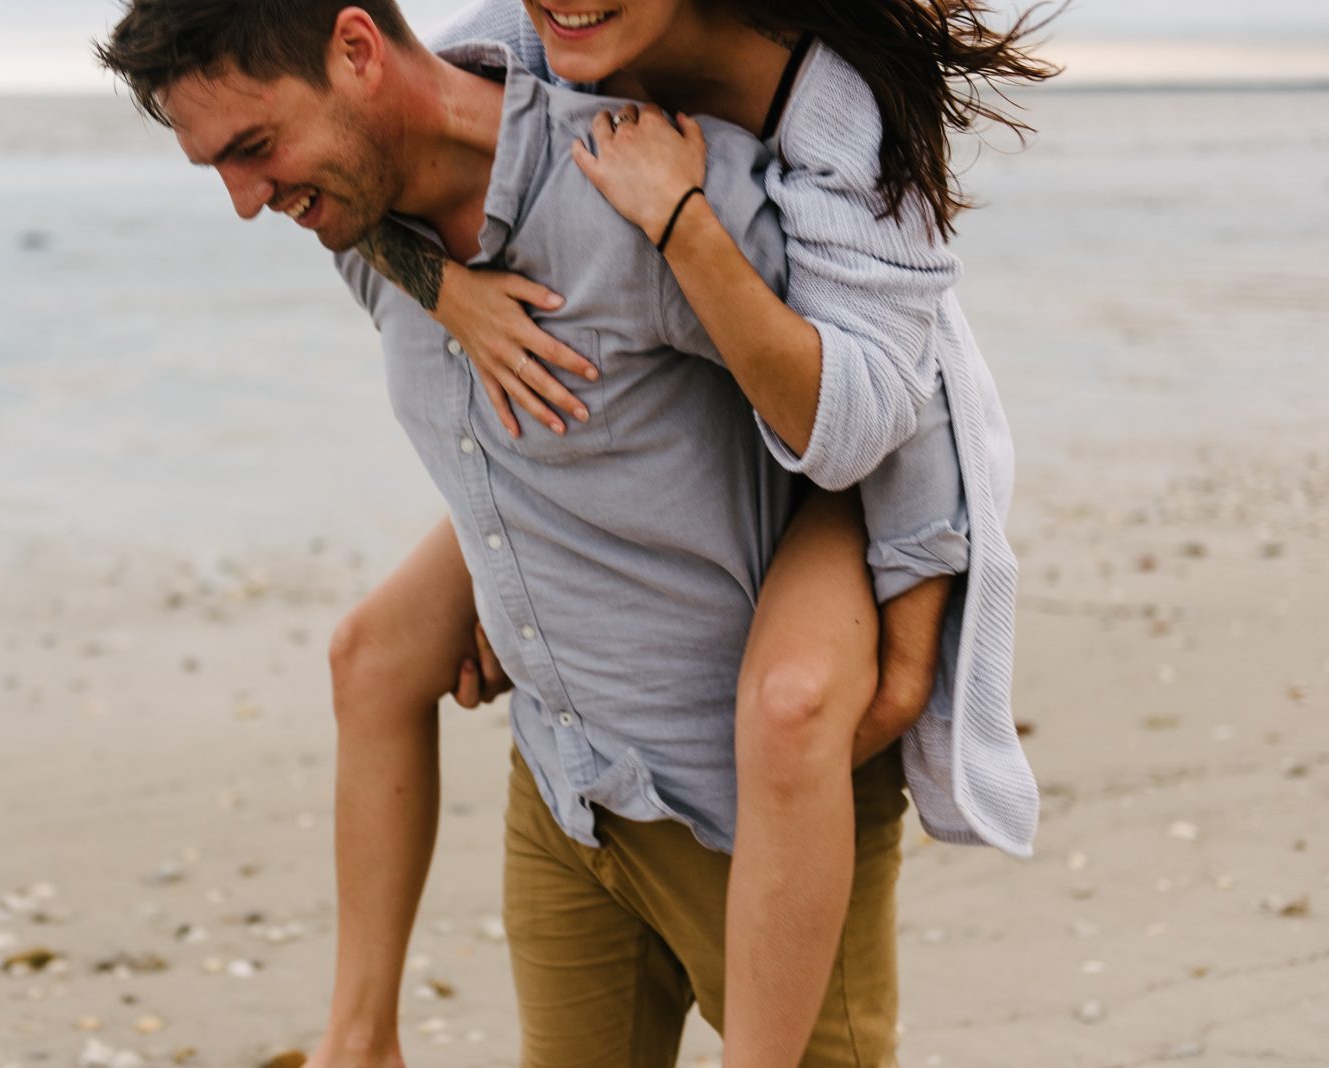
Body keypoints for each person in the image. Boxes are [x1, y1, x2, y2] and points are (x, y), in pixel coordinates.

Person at [93, 1, 1050, 1063]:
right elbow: (419, 163)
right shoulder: (379, 189)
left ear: (358, 53)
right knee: (367, 653)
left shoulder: (704, 172)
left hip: (747, 821)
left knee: (793, 702)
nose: (243, 201)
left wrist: (917, 620)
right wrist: (450, 304)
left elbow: (895, 397)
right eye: (218, 166)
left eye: (256, 149)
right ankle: (356, 1043)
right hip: (567, 798)